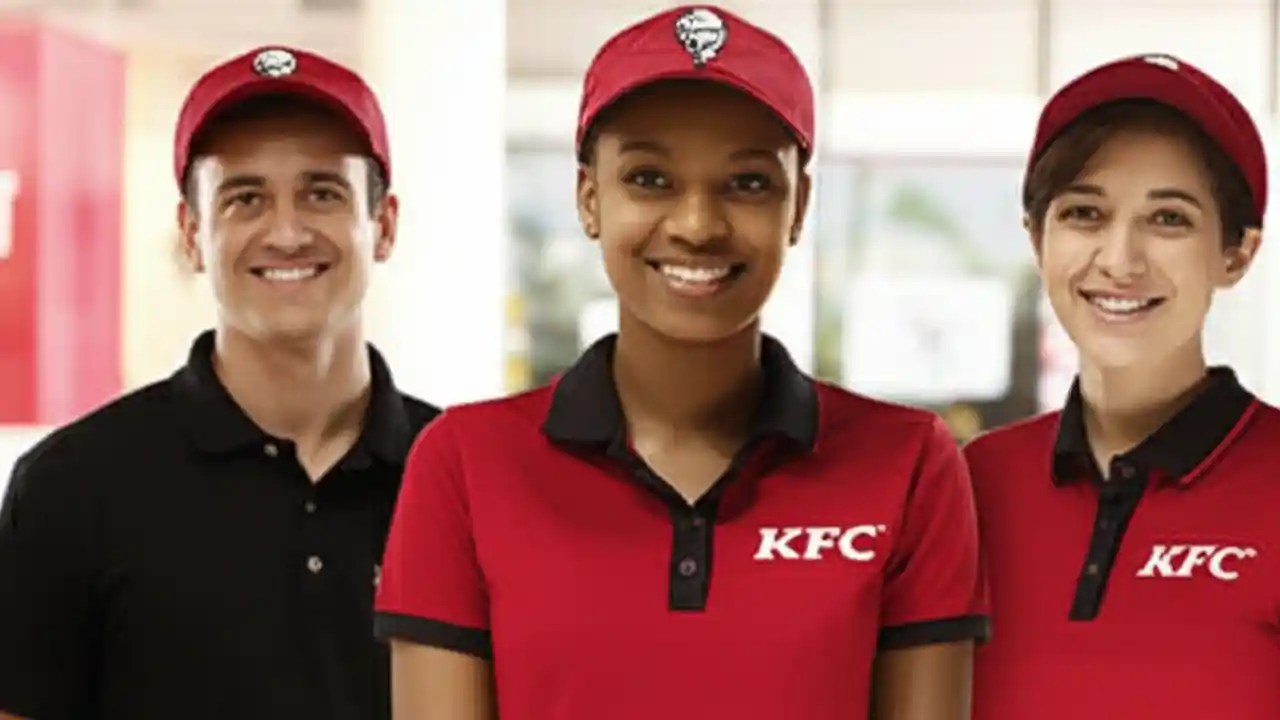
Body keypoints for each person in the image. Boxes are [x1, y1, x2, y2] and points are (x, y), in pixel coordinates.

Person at [373, 6, 987, 719]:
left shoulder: (909, 464)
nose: (697, 224)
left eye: (749, 183)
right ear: (588, 197)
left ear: (799, 207)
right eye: (650, 179)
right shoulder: (464, 463)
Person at [0, 46, 438, 720]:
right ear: (192, 233)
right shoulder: (72, 485)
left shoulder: (464, 477)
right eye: (245, 199)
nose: (286, 232)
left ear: (383, 226)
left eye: (322, 192)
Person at [965, 53, 1275, 719]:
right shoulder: (964, 486)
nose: (1120, 260)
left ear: (1237, 253)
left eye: (1169, 220)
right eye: (1084, 213)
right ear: (1035, 238)